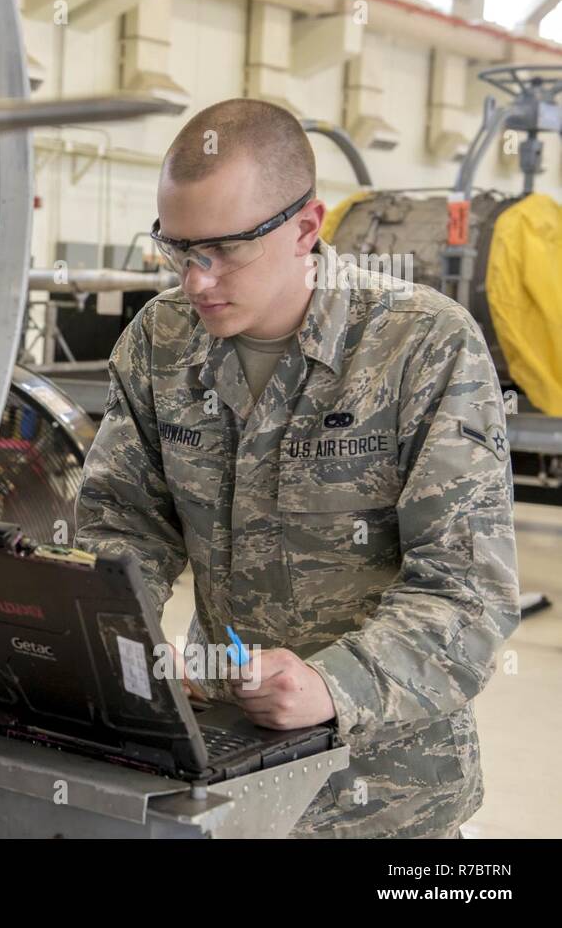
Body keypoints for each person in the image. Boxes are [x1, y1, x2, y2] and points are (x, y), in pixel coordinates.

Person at [75, 98, 519, 838]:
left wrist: (332, 685)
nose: (196, 280)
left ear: (306, 228)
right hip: (224, 778)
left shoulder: (422, 346)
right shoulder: (160, 343)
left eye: (224, 249)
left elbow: (470, 592)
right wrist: (129, 647)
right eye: (177, 249)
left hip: (387, 797)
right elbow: (122, 528)